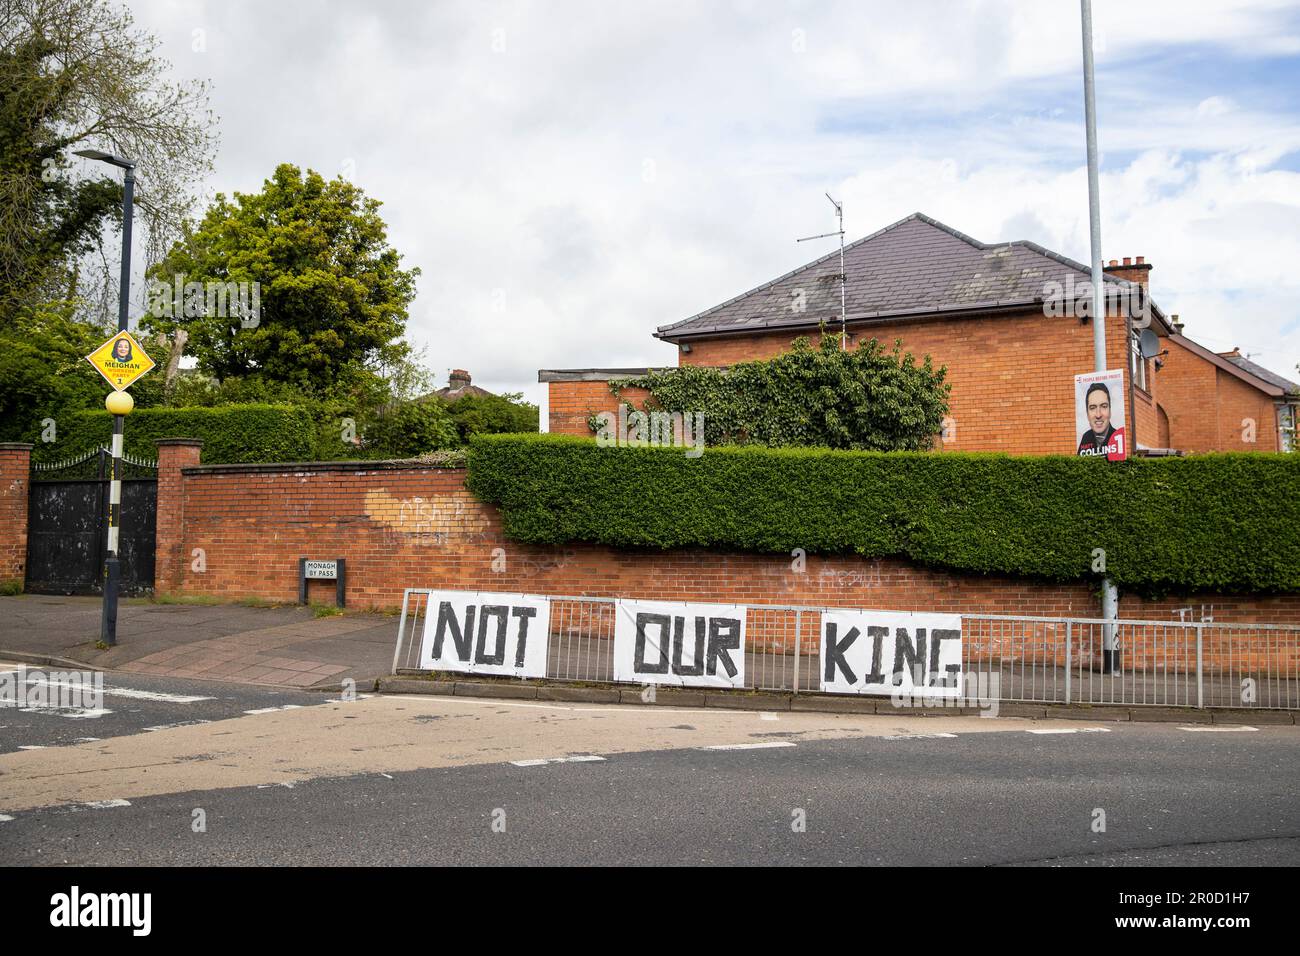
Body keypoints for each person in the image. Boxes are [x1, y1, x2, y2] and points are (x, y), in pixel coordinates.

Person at [1078, 382, 1117, 456]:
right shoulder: (1086, 438)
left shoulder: (1117, 437)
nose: (1098, 415)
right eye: (1092, 408)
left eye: (1104, 406)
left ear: (1110, 410)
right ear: (1087, 413)